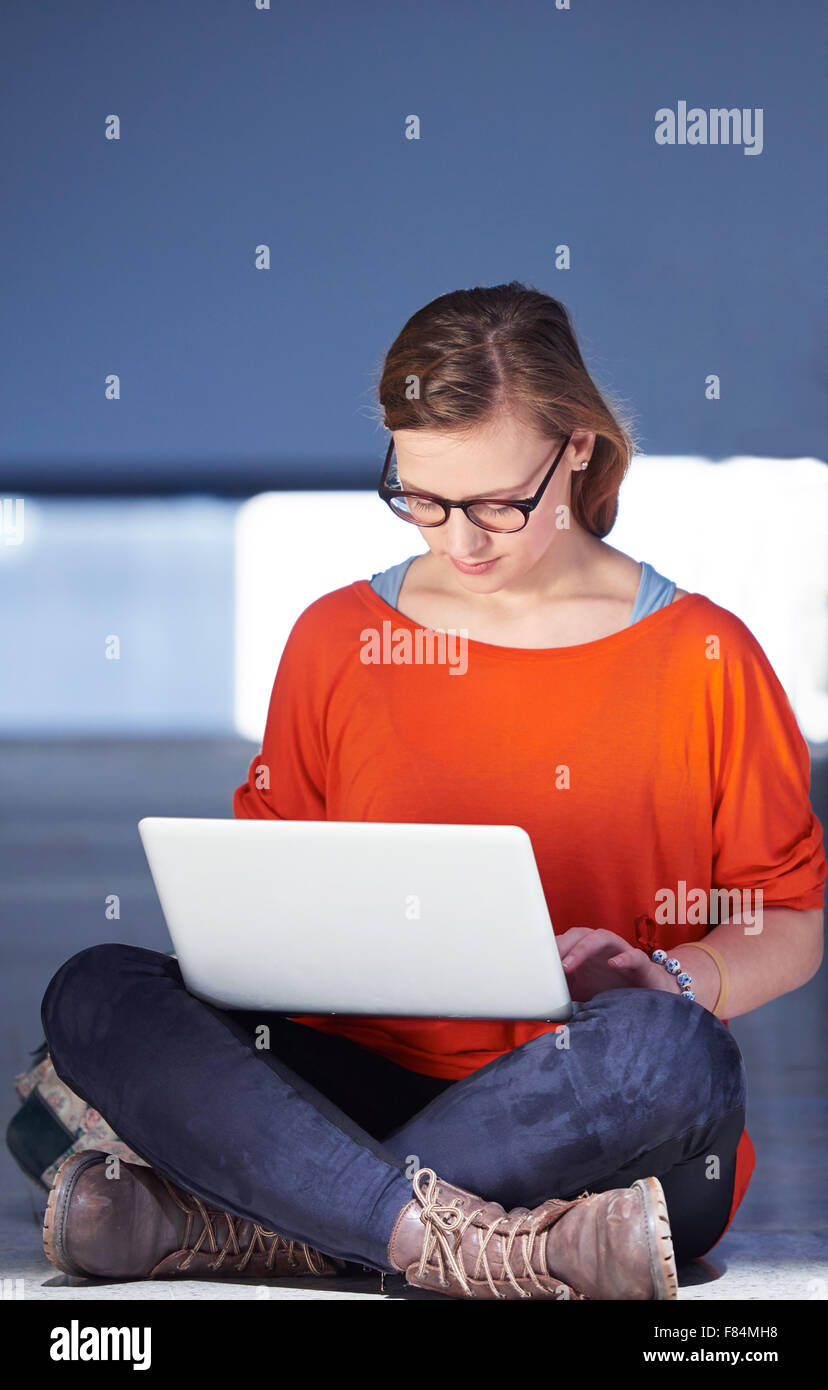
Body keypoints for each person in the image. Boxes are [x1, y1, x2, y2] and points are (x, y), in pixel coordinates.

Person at [39, 282, 826, 1301]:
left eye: (500, 501)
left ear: (578, 447)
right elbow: (262, 897)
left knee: (674, 1056)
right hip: (351, 1082)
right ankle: (453, 1241)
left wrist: (672, 979)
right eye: (423, 497)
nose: (461, 541)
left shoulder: (706, 655)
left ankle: (270, 1220)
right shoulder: (334, 639)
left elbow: (790, 920)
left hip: (582, 1098)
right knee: (97, 994)